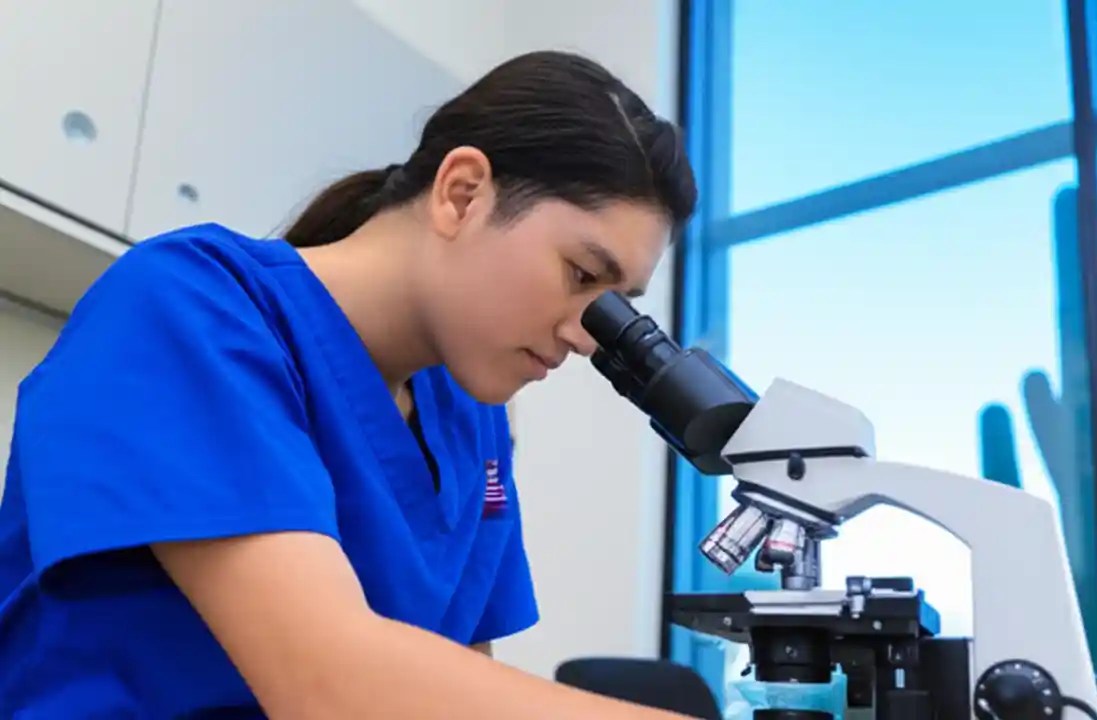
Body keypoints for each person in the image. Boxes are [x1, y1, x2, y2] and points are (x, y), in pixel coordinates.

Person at [0, 50, 697, 718]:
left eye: (616, 303)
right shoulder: (187, 308)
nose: (585, 334)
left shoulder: (471, 419)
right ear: (462, 194)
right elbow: (331, 688)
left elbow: (459, 684)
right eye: (582, 276)